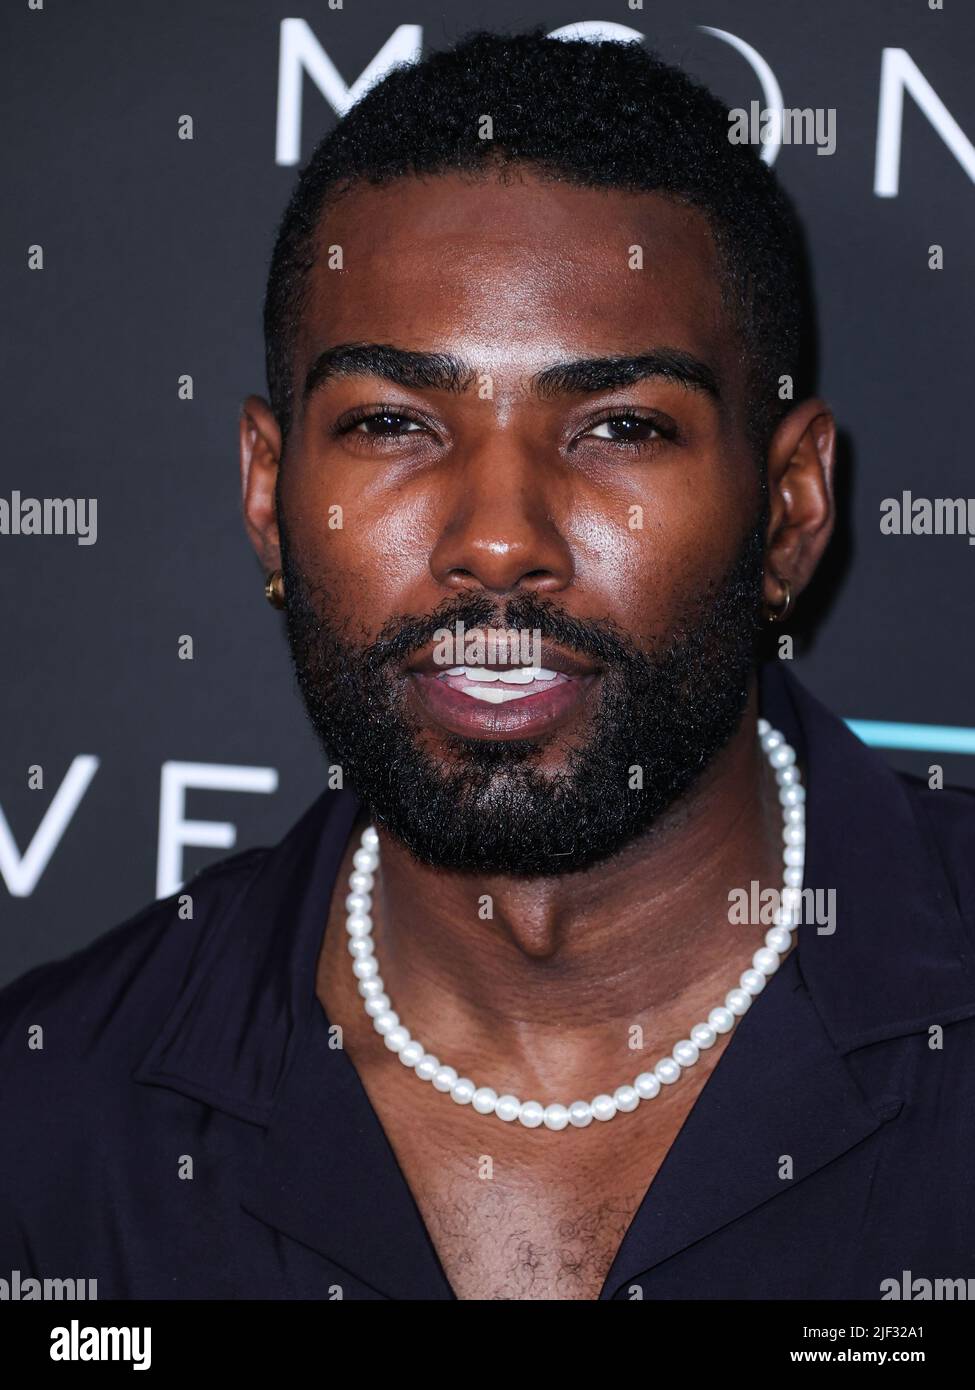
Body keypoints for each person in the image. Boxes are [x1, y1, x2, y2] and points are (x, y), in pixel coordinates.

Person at [2, 28, 974, 1303]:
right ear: (266, 490)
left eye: (621, 425)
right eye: (393, 423)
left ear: (790, 506)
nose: (500, 542)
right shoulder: (56, 1125)